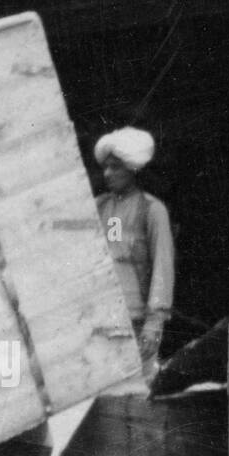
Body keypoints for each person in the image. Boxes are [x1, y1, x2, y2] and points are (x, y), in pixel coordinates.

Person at [93, 127, 175, 381]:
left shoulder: (152, 210)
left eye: (115, 167)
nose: (108, 173)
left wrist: (154, 323)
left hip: (136, 323)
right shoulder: (99, 206)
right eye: (105, 167)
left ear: (132, 168)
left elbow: (163, 266)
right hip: (101, 322)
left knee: (138, 391)